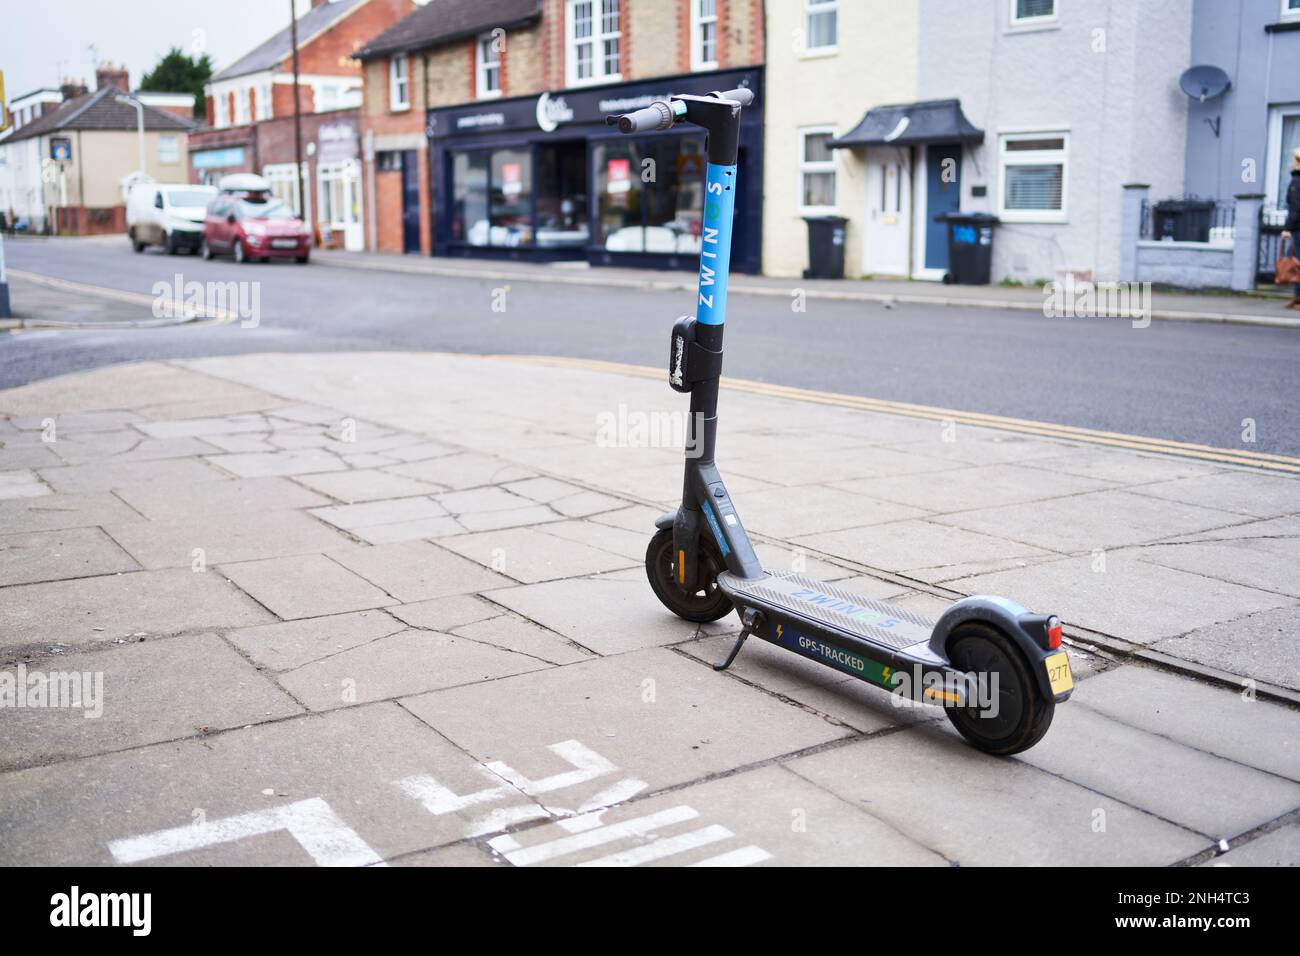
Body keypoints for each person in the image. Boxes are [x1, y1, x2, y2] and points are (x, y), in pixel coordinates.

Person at [1284, 146, 1300, 310]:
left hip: (1298, 228)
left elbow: (1296, 208)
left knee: (1296, 262)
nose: (1291, 163)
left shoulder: (1296, 181)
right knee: (1294, 260)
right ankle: (1296, 296)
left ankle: (1298, 297)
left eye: (1293, 160)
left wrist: (1288, 228)